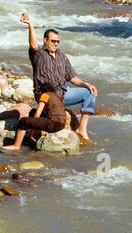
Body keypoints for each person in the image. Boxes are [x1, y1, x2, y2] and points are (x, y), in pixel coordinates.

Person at [20, 12, 98, 144]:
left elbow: (72, 78)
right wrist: (30, 25)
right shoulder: (39, 54)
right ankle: (37, 129)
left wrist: (86, 84)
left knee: (89, 93)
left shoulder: (62, 56)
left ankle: (82, 129)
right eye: (53, 41)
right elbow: (33, 44)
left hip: (63, 94)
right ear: (45, 40)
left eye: (57, 42)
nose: (55, 44)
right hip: (46, 96)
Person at [7, 85, 68, 151]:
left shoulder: (45, 95)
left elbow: (37, 114)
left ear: (42, 92)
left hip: (53, 124)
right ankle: (35, 136)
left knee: (23, 121)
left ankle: (16, 145)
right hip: (61, 124)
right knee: (33, 111)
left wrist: (32, 131)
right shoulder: (58, 96)